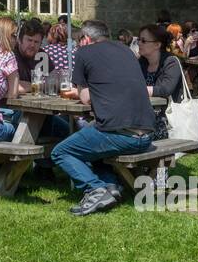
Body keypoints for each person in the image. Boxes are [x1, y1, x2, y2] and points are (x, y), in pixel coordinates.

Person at [50, 21, 158, 216]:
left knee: (60, 152)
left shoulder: (84, 53)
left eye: (78, 40)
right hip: (148, 133)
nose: (77, 44)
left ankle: (94, 189)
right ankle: (111, 186)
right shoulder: (127, 51)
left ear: (87, 39)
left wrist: (82, 91)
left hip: (121, 134)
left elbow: (85, 98)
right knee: (93, 143)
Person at [138, 24, 186, 139]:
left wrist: (139, 90)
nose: (139, 43)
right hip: (144, 114)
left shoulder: (171, 62)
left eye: (143, 41)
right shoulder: (141, 62)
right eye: (139, 39)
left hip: (167, 118)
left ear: (157, 45)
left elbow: (165, 89)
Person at [14, 18, 49, 88]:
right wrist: (36, 86)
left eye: (36, 42)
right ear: (20, 40)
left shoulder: (42, 55)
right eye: (29, 40)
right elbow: (11, 86)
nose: (32, 45)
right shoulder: (11, 55)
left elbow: (53, 80)